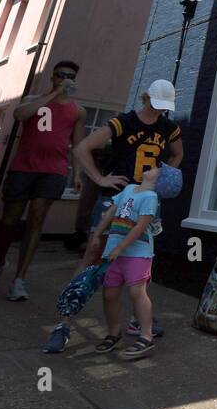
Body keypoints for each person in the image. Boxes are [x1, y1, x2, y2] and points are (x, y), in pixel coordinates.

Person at [44, 79, 183, 353]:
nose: (158, 112)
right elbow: (81, 148)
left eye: (163, 108)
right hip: (118, 197)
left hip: (146, 200)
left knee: (140, 261)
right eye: (155, 105)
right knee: (93, 256)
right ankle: (65, 322)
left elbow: (178, 154)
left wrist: (163, 178)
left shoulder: (169, 127)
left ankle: (136, 320)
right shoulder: (124, 122)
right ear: (145, 98)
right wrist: (99, 178)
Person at [0, 60, 85, 302]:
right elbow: (19, 115)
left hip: (53, 171)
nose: (65, 79)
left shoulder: (78, 111)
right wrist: (52, 94)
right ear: (53, 77)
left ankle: (19, 279)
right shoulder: (34, 101)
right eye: (60, 75)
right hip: (23, 168)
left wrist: (77, 173)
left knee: (37, 218)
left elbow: (78, 144)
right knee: (9, 222)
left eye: (70, 76)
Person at [93, 164, 182, 358]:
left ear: (160, 181)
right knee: (109, 293)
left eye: (158, 169)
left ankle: (146, 336)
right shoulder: (128, 189)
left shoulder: (150, 198)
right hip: (114, 252)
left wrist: (120, 247)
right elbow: (111, 211)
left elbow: (140, 227)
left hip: (137, 253)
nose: (152, 167)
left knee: (137, 292)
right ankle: (113, 333)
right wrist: (97, 233)